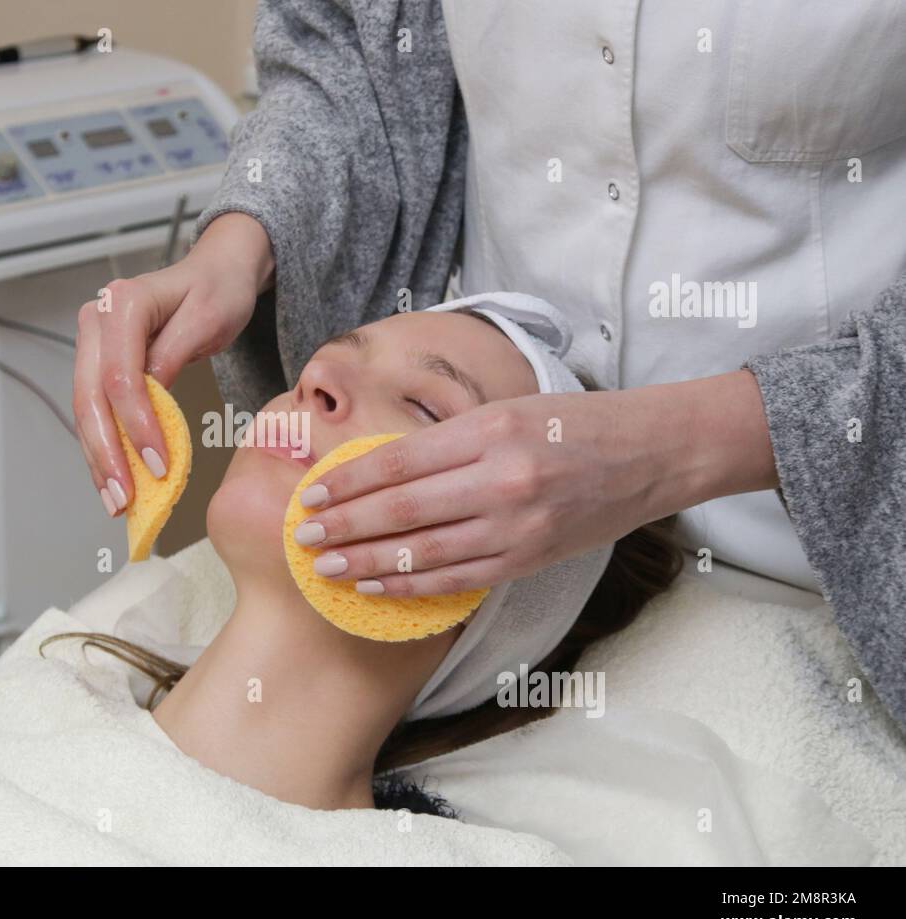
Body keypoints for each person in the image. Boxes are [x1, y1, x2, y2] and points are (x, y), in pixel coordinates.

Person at [72, 2, 906, 731]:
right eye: (342, 349)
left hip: (831, 567)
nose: (311, 379)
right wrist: (242, 239)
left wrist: (716, 442)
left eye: (430, 412)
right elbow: (345, 43)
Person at [56, 298, 681, 813]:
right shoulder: (11, 716)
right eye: (322, 361)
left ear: (485, 588)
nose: (314, 381)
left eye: (425, 406)